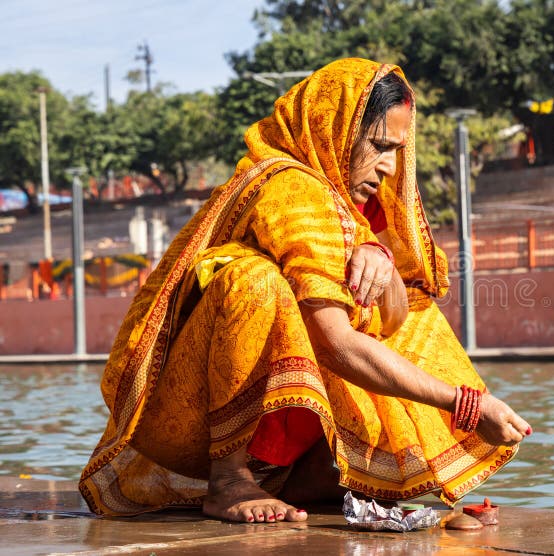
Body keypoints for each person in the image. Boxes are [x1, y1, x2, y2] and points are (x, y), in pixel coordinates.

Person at [79, 58, 531, 524]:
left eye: (397, 150)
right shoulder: (290, 186)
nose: (391, 168)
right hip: (185, 420)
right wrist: (467, 405)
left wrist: (380, 255)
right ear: (335, 131)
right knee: (255, 280)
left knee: (398, 307)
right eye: (379, 146)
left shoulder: (352, 209)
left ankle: (342, 486)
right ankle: (229, 479)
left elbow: (400, 315)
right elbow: (335, 342)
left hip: (276, 445)